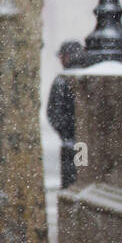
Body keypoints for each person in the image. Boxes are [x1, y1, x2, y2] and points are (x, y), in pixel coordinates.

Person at [47, 40, 83, 189]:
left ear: (67, 57)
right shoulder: (85, 77)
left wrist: (66, 133)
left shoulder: (62, 81)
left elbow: (52, 113)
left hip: (70, 142)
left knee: (71, 183)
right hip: (84, 142)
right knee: (83, 178)